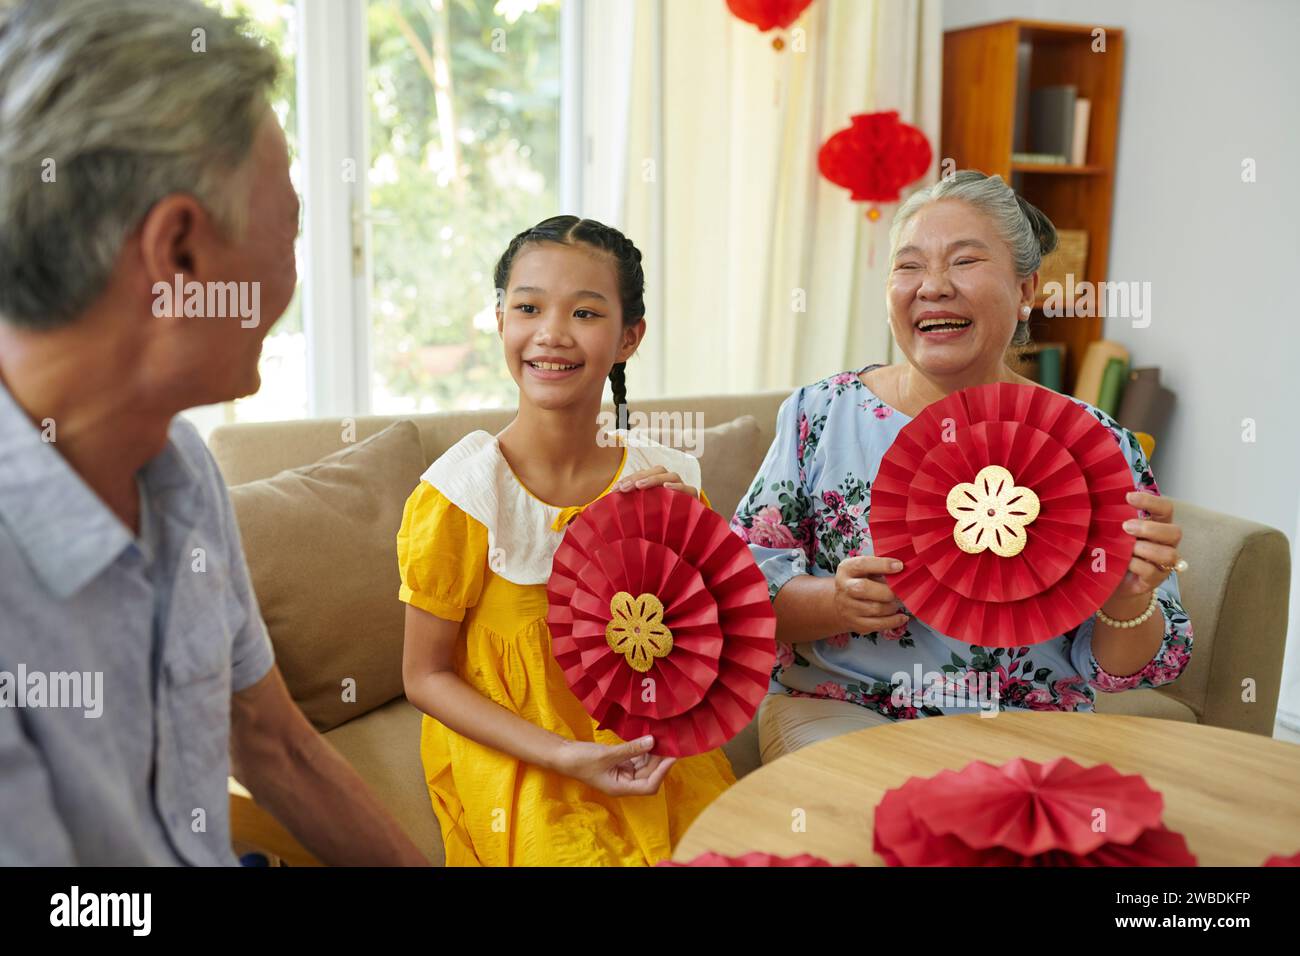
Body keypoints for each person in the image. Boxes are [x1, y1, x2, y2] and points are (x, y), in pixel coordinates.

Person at [0, 0, 425, 865]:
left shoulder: (181, 472)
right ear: (181, 255)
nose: (293, 278)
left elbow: (274, 743)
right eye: (292, 226)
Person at [730, 171, 1193, 764]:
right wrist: (836, 602)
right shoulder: (820, 415)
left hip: (1030, 727)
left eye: (965, 261)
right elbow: (738, 598)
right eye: (909, 265)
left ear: (1027, 288)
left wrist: (1127, 597)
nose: (933, 286)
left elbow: (1126, 672)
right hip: (856, 710)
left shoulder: (1093, 445)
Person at [398, 216, 735, 865]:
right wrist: (565, 755)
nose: (551, 333)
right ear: (500, 319)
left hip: (651, 750)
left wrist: (690, 546)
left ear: (629, 336)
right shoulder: (463, 495)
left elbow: (704, 658)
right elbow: (424, 675)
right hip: (526, 760)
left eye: (584, 312)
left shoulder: (666, 481)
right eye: (528, 307)